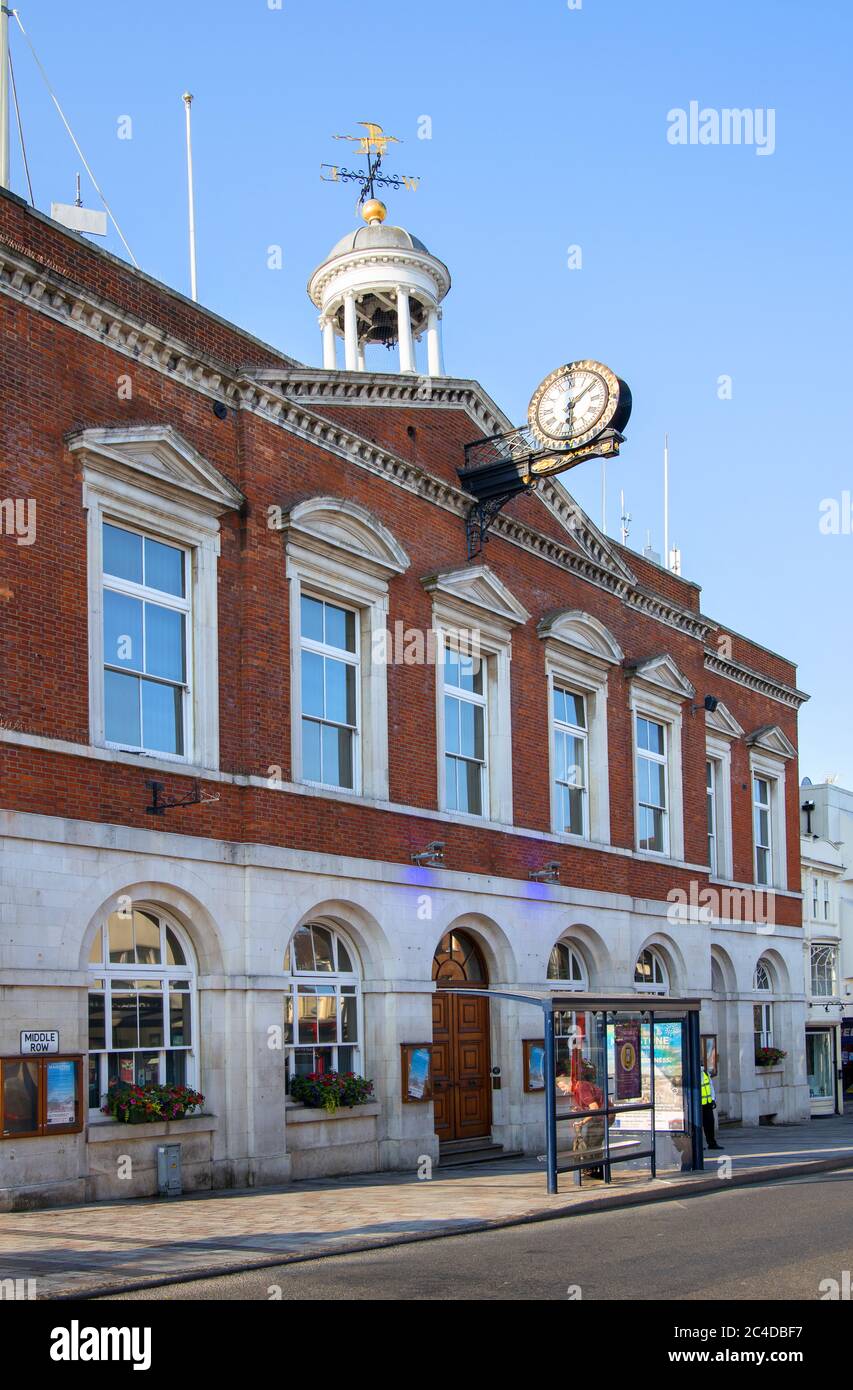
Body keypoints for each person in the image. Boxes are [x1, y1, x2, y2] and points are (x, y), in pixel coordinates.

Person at [571, 1059, 606, 1179]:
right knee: (590, 1142)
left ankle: (597, 1171)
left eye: (562, 1086)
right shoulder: (581, 1087)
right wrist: (580, 1110)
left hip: (602, 1117)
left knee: (593, 1143)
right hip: (598, 1118)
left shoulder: (582, 1087)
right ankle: (593, 1169)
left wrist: (582, 1121)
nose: (563, 1090)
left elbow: (594, 1108)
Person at [701, 1066, 723, 1150]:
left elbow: (711, 1086)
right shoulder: (693, 1073)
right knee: (698, 1126)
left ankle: (712, 1143)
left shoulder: (705, 1073)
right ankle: (697, 1144)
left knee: (710, 1124)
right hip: (697, 1104)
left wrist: (713, 1099)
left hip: (707, 1103)